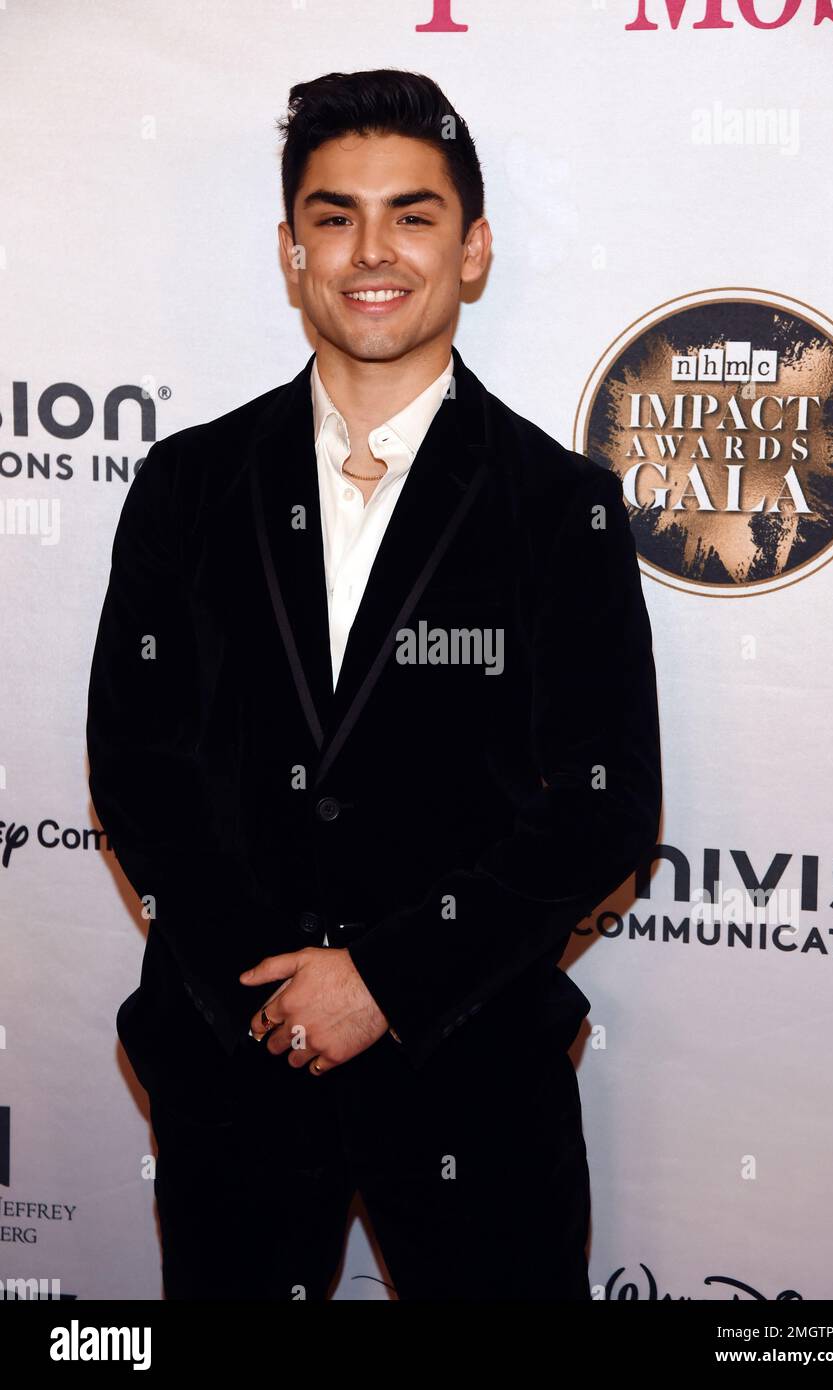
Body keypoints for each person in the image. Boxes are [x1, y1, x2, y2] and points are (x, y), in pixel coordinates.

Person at [86, 68, 662, 1301]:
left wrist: (386, 984)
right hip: (232, 1067)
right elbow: (139, 767)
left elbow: (603, 804)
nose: (371, 251)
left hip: (471, 1073)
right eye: (335, 215)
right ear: (293, 250)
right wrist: (281, 990)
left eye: (413, 213)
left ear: (474, 247)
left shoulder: (560, 509)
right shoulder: (186, 487)